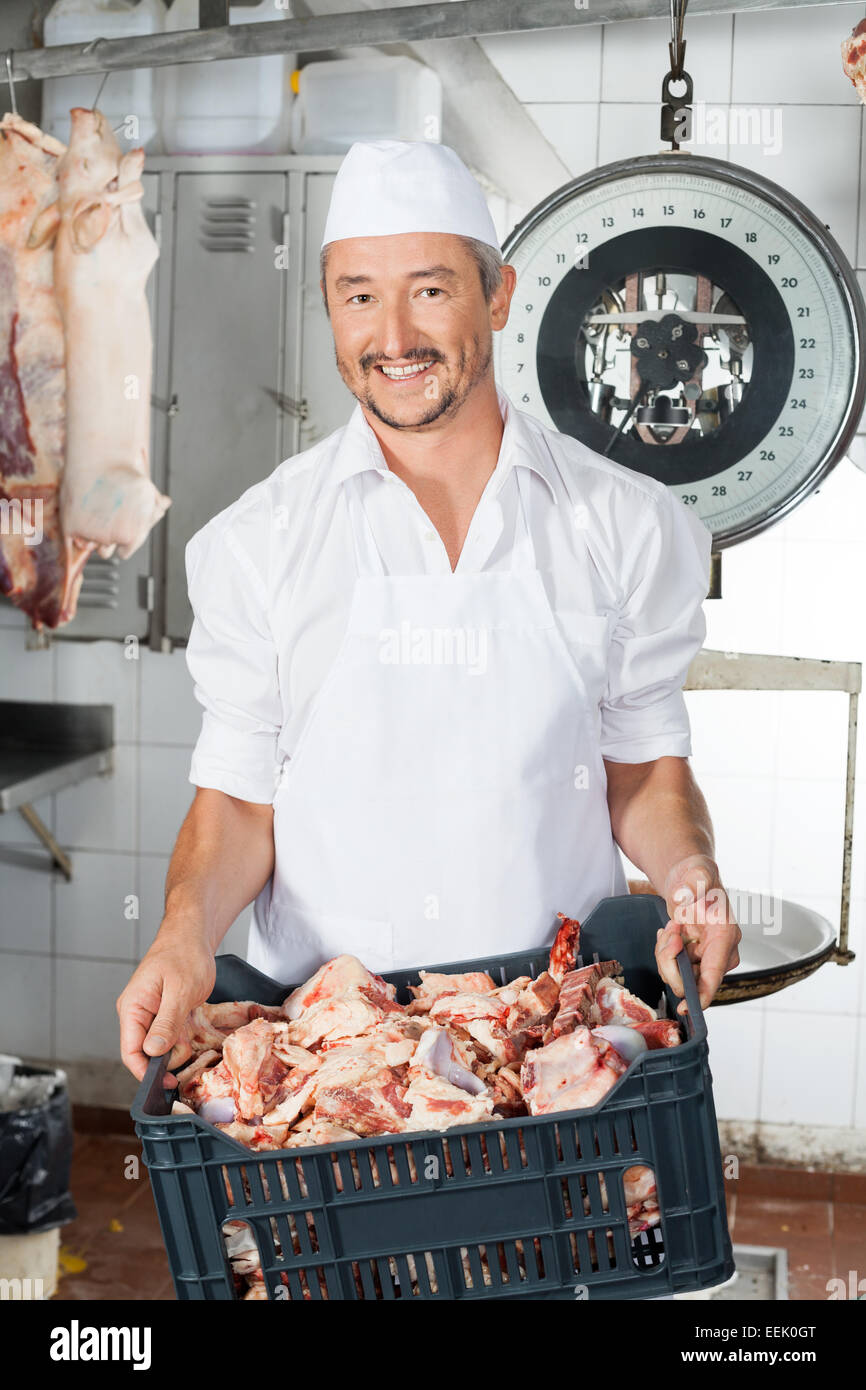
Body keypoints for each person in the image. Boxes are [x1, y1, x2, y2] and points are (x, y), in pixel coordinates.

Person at [118, 139, 741, 1081]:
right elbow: (239, 801)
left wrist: (691, 878)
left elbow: (644, 769)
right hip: (332, 1054)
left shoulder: (629, 526)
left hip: (559, 1041)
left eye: (431, 289)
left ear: (497, 295)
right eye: (359, 294)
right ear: (328, 304)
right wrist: (182, 934)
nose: (394, 336)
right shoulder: (260, 542)